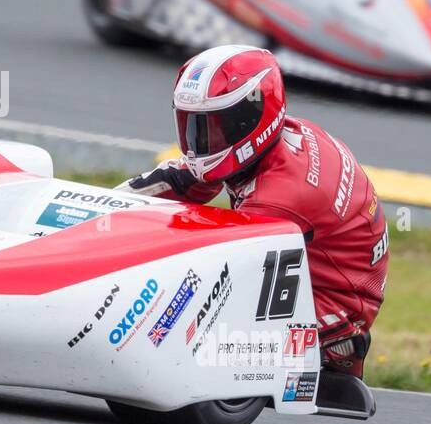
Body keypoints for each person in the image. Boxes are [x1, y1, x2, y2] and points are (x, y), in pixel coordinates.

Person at [116, 44, 388, 379]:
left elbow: (218, 264)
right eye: (193, 125)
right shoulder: (277, 140)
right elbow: (182, 180)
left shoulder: (281, 195)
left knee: (177, 318)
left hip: (333, 309)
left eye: (215, 126)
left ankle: (331, 353)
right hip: (308, 271)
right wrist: (106, 209)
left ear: (251, 116)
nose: (201, 141)